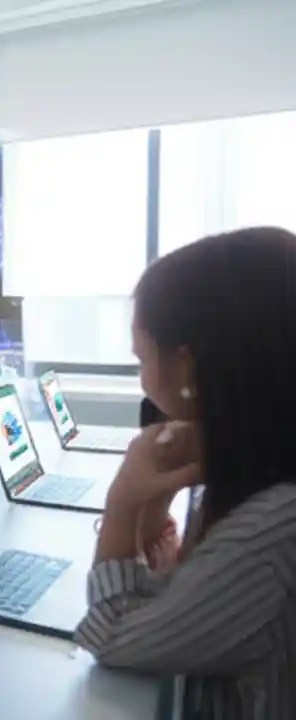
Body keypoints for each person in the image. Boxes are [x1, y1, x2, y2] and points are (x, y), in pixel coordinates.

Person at [74, 226, 296, 718]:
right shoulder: (258, 473)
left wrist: (123, 502)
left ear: (187, 367)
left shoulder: (271, 532)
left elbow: (110, 634)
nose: (143, 382)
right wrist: (153, 511)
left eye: (142, 360)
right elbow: (184, 607)